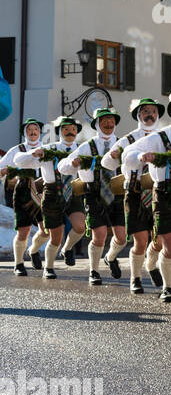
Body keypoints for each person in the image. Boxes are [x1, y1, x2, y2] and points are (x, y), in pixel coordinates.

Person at [123, 91, 171, 302]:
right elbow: (127, 155)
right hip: (165, 192)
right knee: (170, 246)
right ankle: (168, 287)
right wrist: (141, 156)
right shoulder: (161, 136)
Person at [102, 97, 164, 294]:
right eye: (145, 111)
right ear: (138, 115)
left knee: (160, 239)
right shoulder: (127, 140)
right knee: (141, 240)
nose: (149, 114)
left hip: (159, 190)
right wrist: (113, 157)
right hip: (135, 191)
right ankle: (135, 278)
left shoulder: (164, 137)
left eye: (153, 111)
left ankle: (151, 265)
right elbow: (106, 164)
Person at [58, 107, 126, 285]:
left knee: (122, 237)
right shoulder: (88, 146)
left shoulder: (121, 143)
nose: (108, 123)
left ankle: (110, 258)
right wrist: (72, 163)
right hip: (94, 193)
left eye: (111, 120)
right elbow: (63, 166)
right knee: (100, 235)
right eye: (104, 121)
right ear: (97, 124)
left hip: (117, 193)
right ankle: (94, 271)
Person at [12, 116, 83, 278]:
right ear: (59, 132)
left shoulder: (81, 148)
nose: (70, 132)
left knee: (80, 227)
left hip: (71, 190)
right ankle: (48, 268)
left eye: (73, 129)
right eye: (65, 129)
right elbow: (18, 160)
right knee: (52, 235)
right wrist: (34, 153)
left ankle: (67, 249)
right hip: (48, 192)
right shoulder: (48, 148)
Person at [1, 118, 48, 275]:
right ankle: (19, 264)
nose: (33, 132)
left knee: (46, 230)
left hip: (42, 189)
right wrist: (4, 171)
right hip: (23, 190)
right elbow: (1, 166)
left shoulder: (47, 148)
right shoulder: (17, 149)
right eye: (30, 130)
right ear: (25, 133)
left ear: (39, 132)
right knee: (24, 230)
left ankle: (33, 250)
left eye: (36, 129)